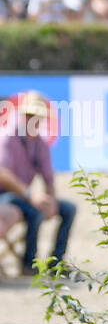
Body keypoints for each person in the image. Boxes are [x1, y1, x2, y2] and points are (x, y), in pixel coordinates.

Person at [0, 92, 76, 276]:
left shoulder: (41, 143)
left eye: (37, 116)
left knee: (68, 209)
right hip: (5, 195)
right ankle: (29, 263)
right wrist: (30, 195)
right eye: (30, 115)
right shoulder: (8, 137)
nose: (34, 119)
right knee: (34, 211)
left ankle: (56, 261)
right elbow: (3, 174)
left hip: (24, 195)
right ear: (23, 115)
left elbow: (48, 177)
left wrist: (51, 200)